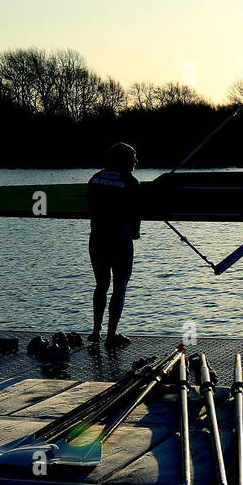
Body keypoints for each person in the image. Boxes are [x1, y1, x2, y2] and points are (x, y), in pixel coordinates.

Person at [88, 142, 141, 348]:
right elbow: (135, 211)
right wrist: (135, 230)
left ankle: (96, 331)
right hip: (119, 239)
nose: (136, 161)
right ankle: (112, 335)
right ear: (123, 160)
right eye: (133, 157)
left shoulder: (95, 179)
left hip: (97, 238)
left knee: (101, 285)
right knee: (119, 287)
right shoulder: (130, 181)